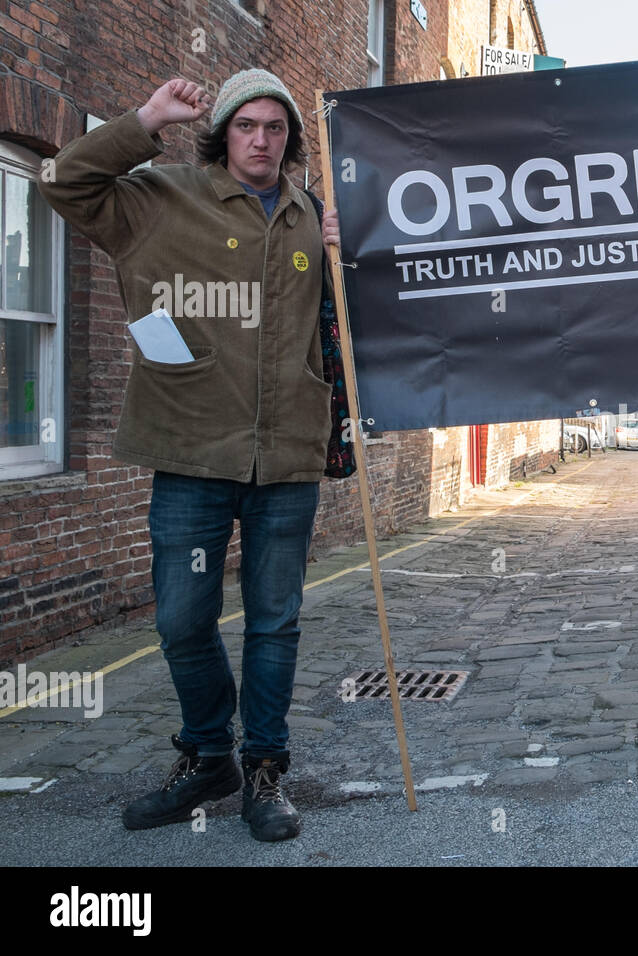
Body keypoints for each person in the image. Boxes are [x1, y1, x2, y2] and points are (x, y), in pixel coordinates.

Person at [39, 70, 341, 839]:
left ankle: (265, 771)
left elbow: (362, 317)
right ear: (224, 133)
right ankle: (210, 754)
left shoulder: (313, 218)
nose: (263, 140)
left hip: (286, 462)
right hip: (190, 454)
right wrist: (145, 118)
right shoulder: (160, 197)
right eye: (248, 125)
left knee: (275, 622)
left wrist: (352, 255)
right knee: (180, 620)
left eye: (277, 128)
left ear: (291, 141)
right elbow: (67, 183)